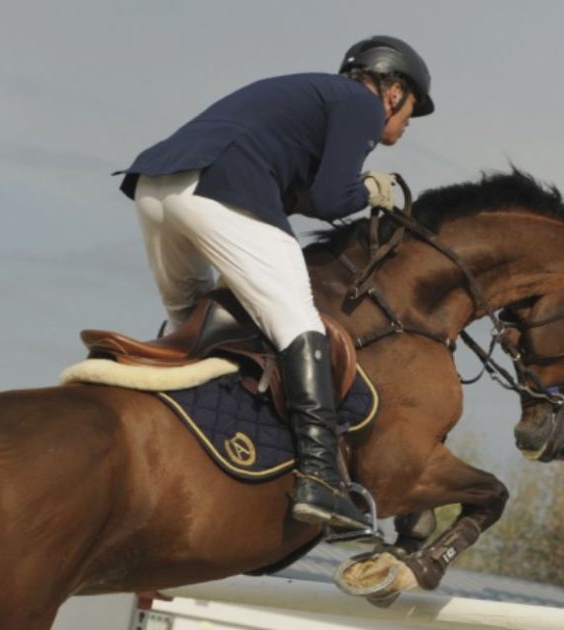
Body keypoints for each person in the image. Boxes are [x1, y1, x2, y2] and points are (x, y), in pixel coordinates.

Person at [115, 36, 434, 533]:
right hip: (219, 187)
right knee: (297, 319)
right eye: (412, 107)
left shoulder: (311, 97)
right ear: (393, 90)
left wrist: (349, 190)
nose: (408, 122)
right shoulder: (360, 105)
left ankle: (191, 425)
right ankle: (320, 479)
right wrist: (369, 190)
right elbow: (331, 199)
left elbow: (300, 193)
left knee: (195, 316)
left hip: (158, 187)